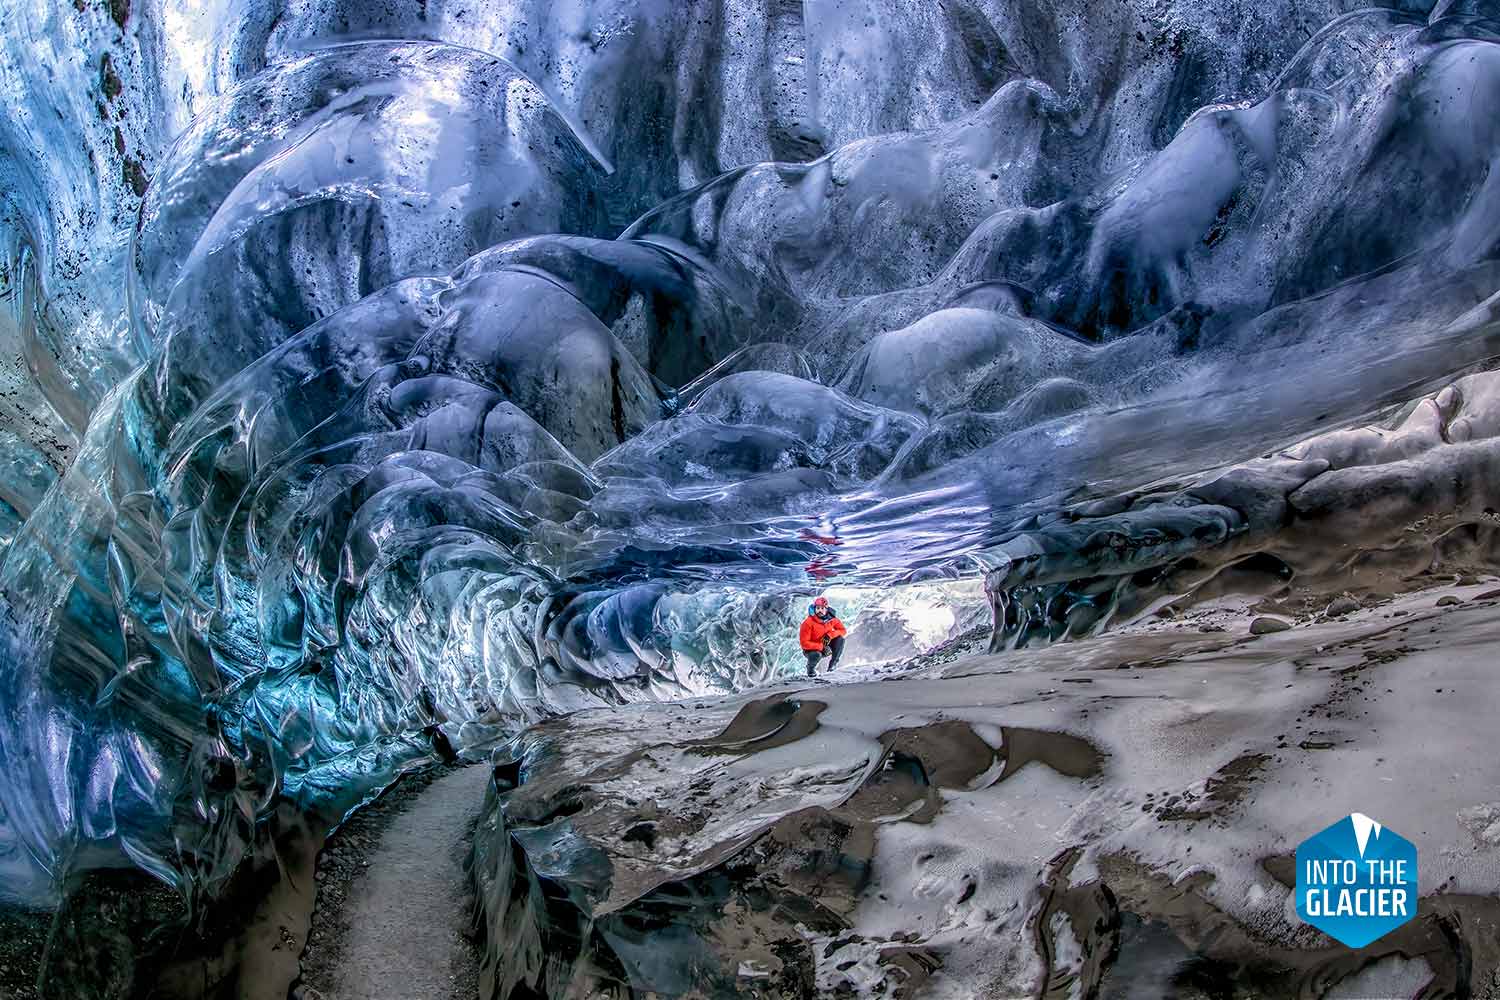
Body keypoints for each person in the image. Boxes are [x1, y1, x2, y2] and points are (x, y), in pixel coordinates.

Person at [799, 596, 847, 677]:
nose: (820, 610)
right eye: (817, 608)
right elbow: (804, 644)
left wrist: (830, 635)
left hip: (826, 646)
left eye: (822, 608)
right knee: (816, 654)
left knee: (840, 639)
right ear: (814, 609)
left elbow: (843, 630)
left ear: (827, 609)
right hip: (811, 650)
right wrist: (821, 647)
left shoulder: (832, 620)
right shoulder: (807, 623)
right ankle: (810, 670)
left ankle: (832, 666)